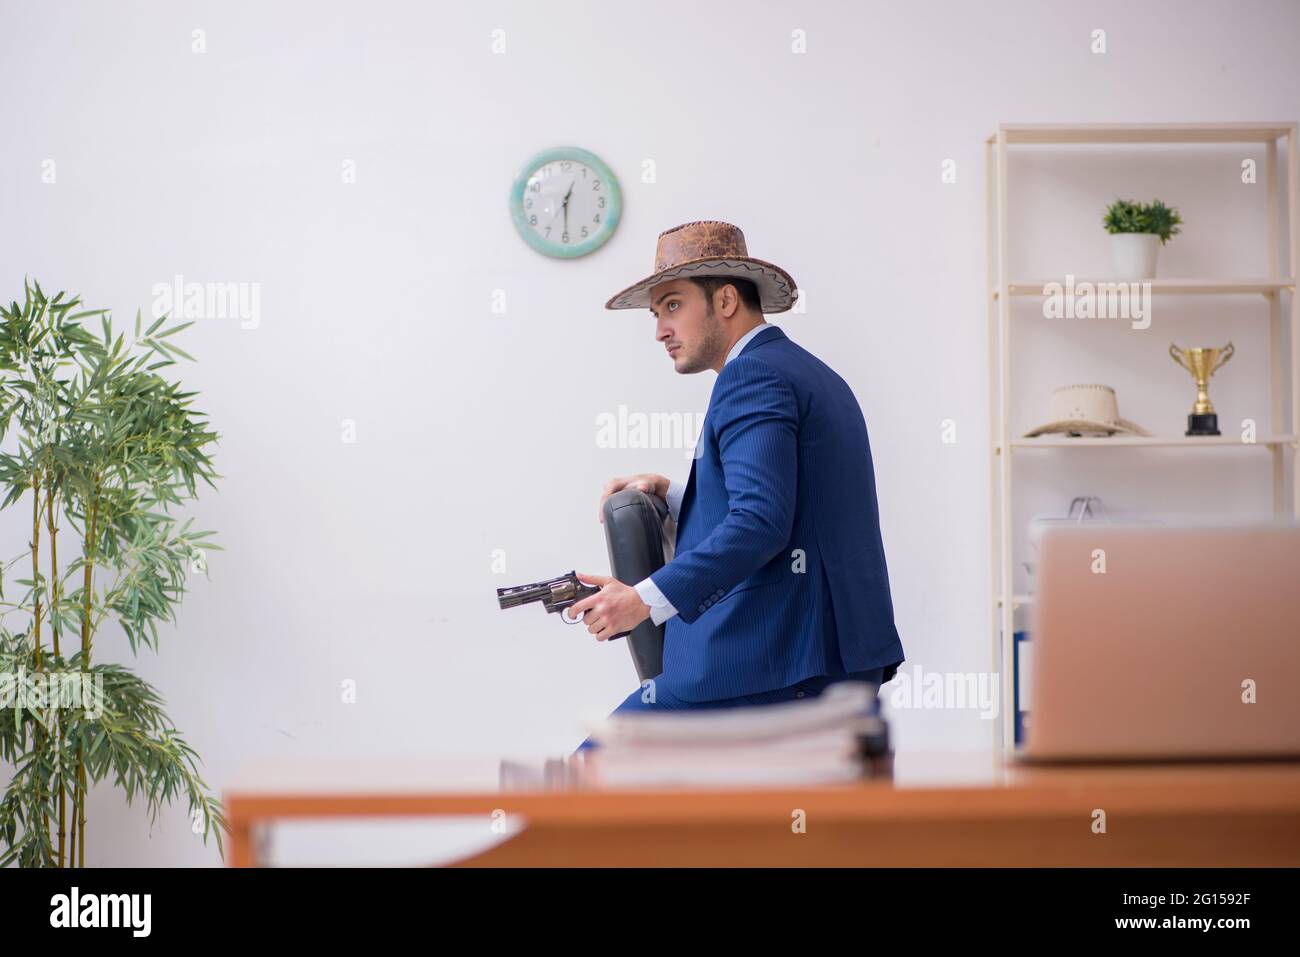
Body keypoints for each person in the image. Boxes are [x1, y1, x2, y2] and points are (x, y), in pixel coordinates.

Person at [570, 220, 904, 751]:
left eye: (673, 305)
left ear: (725, 300)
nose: (659, 329)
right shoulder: (812, 373)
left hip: (773, 665)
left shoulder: (751, 377)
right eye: (656, 314)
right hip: (832, 665)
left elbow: (759, 523)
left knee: (580, 789)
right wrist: (679, 495)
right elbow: (794, 505)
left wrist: (643, 601)